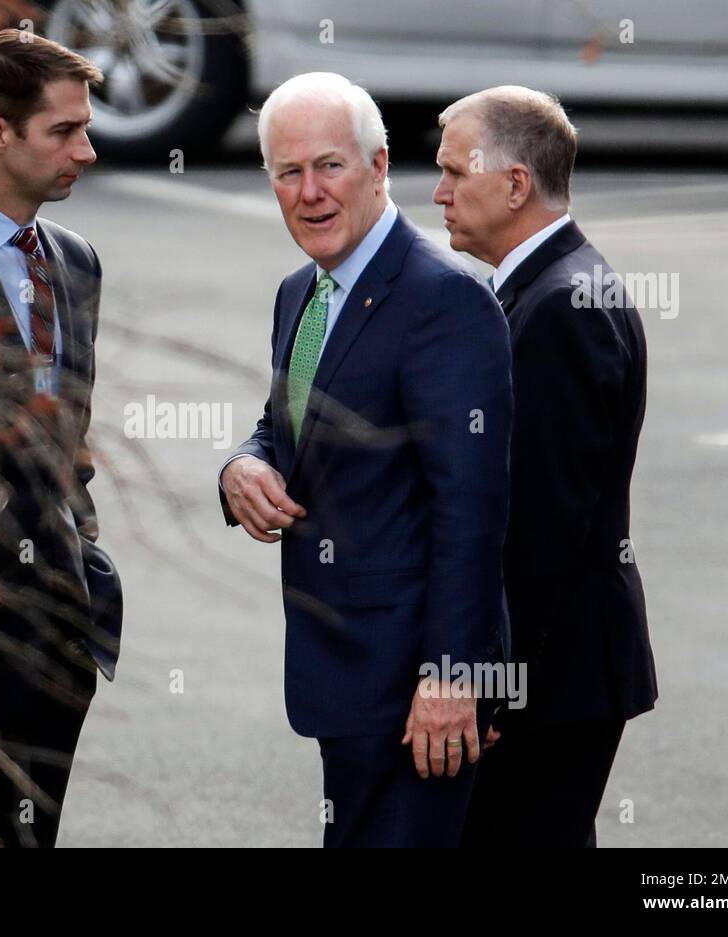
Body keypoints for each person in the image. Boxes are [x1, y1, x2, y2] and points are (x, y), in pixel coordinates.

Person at [218, 72, 513, 847]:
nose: (309, 192)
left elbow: (472, 508)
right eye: (288, 172)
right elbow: (287, 424)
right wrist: (244, 466)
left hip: (416, 692)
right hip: (344, 678)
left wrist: (451, 676)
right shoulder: (302, 291)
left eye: (330, 166)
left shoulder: (443, 298)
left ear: (380, 166)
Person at [433, 85, 658, 847]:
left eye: (454, 174)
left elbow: (538, 528)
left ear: (515, 183)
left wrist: (489, 687)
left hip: (553, 679)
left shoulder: (561, 307)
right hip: (561, 671)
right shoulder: (550, 288)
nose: (438, 194)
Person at [0, 29, 120, 848]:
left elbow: (68, 435)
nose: (89, 149)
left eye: (85, 127)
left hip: (51, 642)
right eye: (64, 132)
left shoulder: (75, 260)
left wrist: (83, 561)